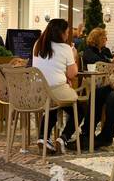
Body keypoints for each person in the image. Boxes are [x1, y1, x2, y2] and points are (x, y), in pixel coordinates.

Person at [32, 17, 81, 151]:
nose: (67, 35)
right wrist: (74, 55)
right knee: (81, 108)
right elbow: (73, 73)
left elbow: (49, 67)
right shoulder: (65, 48)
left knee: (53, 104)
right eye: (66, 32)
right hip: (56, 91)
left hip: (37, 92)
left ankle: (43, 137)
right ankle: (63, 138)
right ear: (61, 33)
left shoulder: (38, 44)